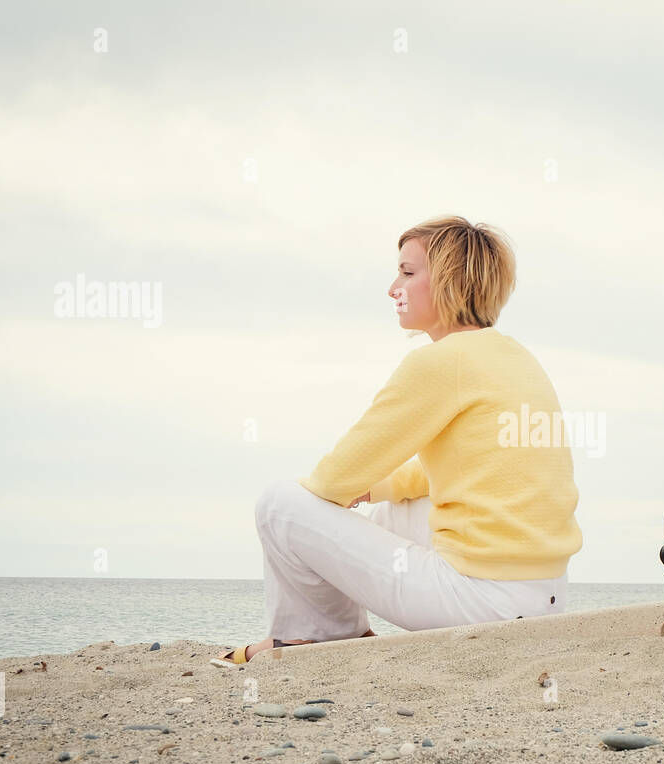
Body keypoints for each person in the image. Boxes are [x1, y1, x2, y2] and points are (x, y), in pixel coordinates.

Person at [222, 216, 583, 663]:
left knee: (280, 503)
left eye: (408, 273)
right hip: (543, 599)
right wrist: (376, 487)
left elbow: (332, 480)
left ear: (450, 280)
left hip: (482, 604)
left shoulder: (438, 363)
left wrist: (345, 489)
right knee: (396, 509)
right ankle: (319, 631)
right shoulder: (515, 357)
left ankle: (319, 637)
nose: (393, 287)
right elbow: (476, 467)